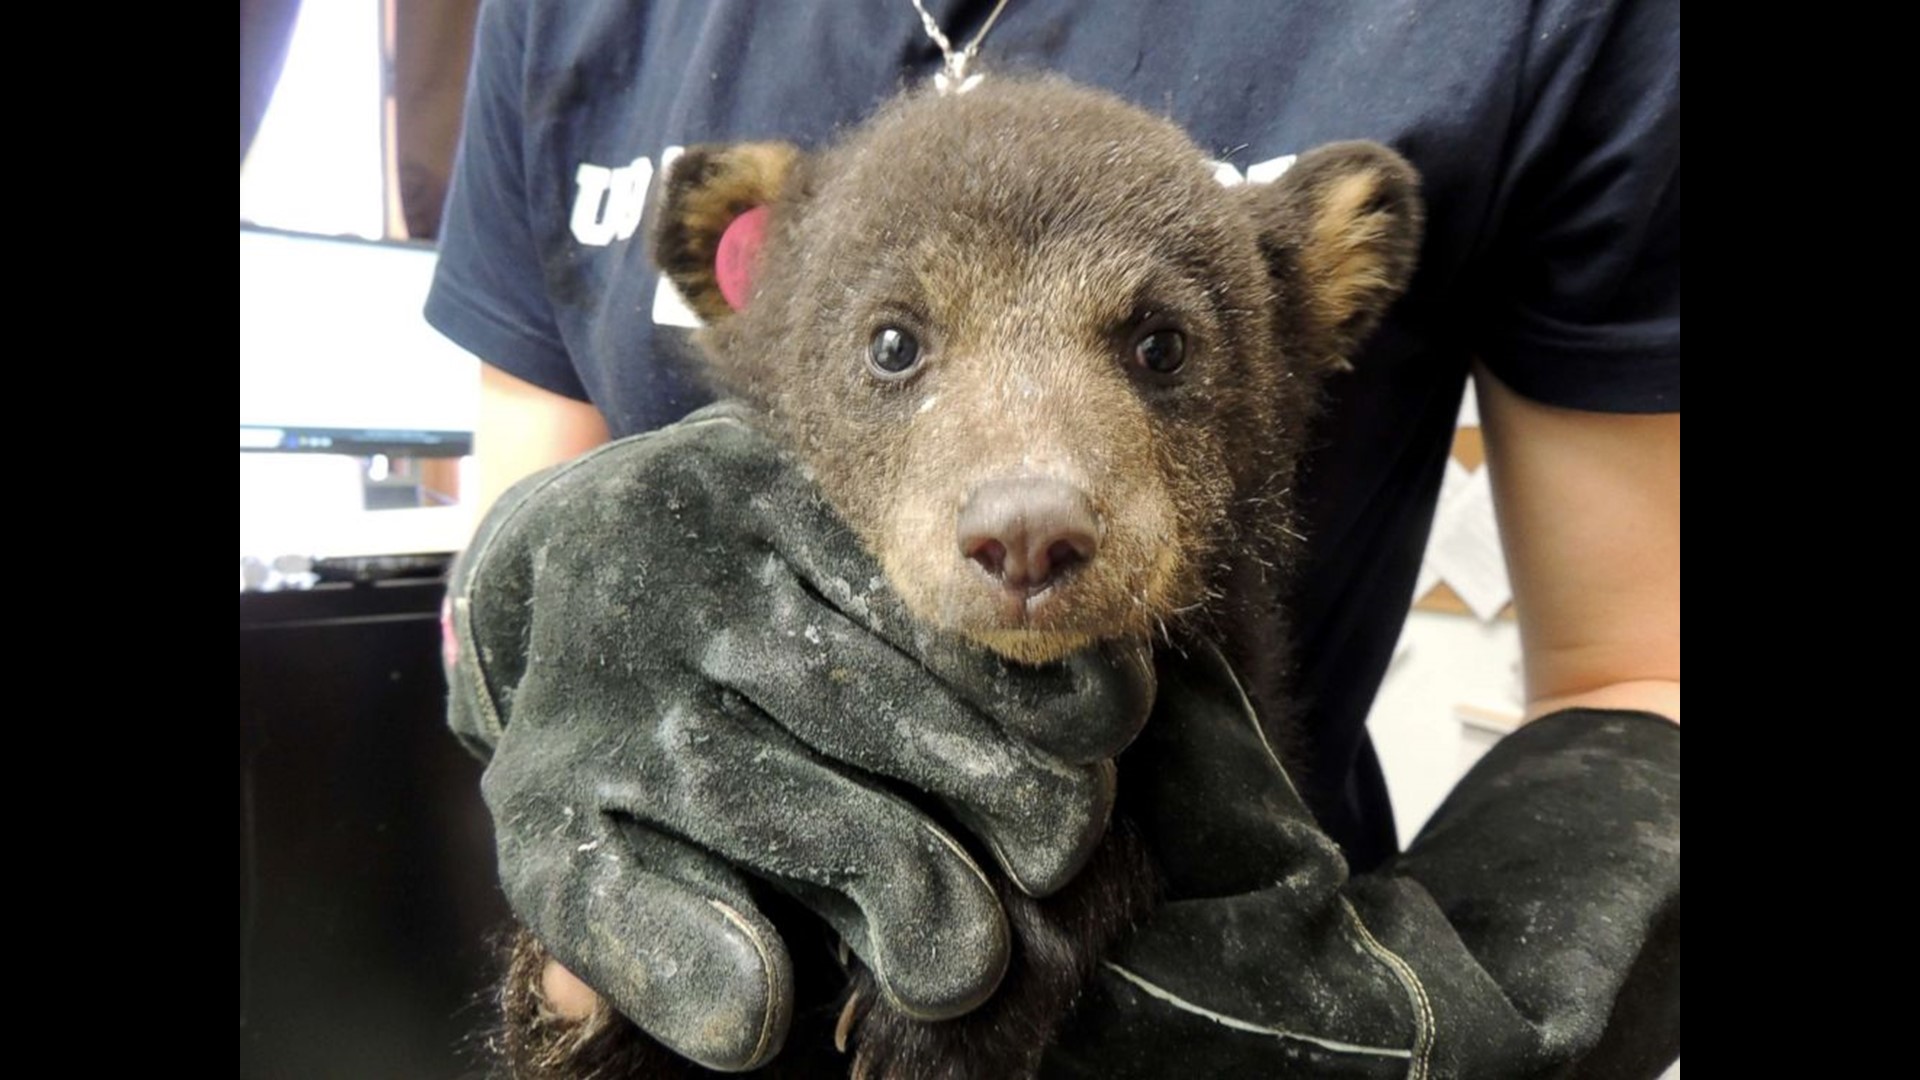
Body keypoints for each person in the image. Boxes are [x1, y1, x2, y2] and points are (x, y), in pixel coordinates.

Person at [427, 0, 1679, 1075]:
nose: (1033, 496)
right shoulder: (563, 16)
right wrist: (574, 912)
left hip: (1267, 932)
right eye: (897, 349)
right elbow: (506, 601)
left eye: (1157, 350)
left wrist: (1456, 1018)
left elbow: (1641, 663)